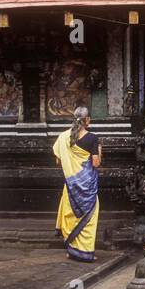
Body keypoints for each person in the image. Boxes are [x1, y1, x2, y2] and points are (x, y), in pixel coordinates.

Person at [53, 105, 102, 261]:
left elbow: (58, 162)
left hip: (71, 186)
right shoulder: (93, 138)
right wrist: (99, 150)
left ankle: (72, 251)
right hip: (88, 186)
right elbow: (96, 163)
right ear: (88, 120)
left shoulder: (63, 137)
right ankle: (85, 252)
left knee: (72, 217)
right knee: (88, 218)